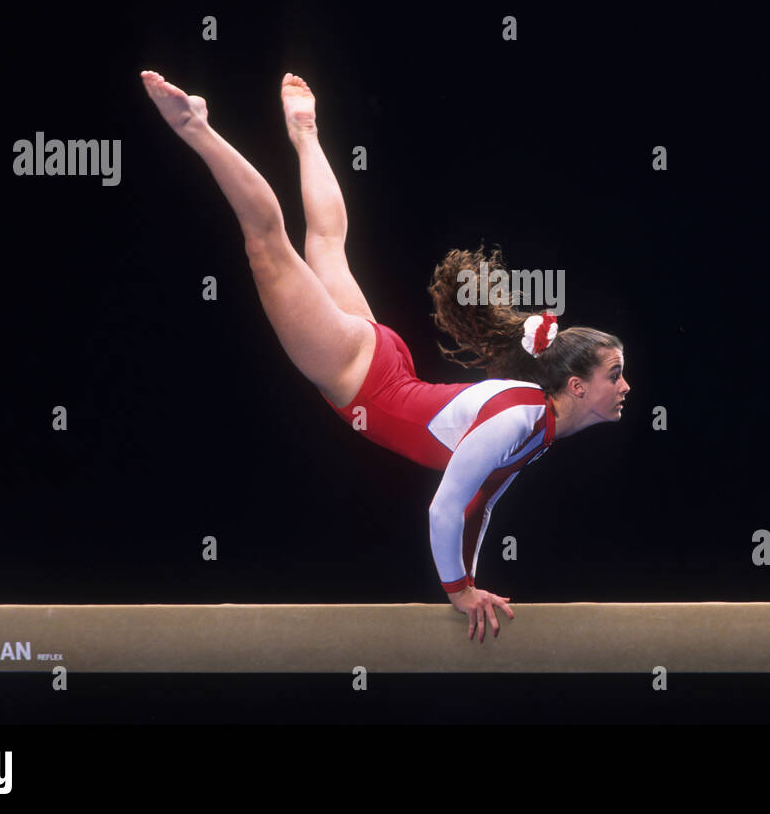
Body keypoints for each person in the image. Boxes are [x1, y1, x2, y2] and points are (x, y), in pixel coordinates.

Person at [140, 70, 628, 642]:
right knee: (266, 244)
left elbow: (479, 505)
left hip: (384, 364)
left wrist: (468, 582)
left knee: (323, 245)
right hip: (363, 376)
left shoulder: (536, 426)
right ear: (575, 385)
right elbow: (445, 508)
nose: (626, 387)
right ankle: (195, 126)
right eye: (614, 374)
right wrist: (457, 590)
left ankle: (305, 131)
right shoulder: (522, 416)